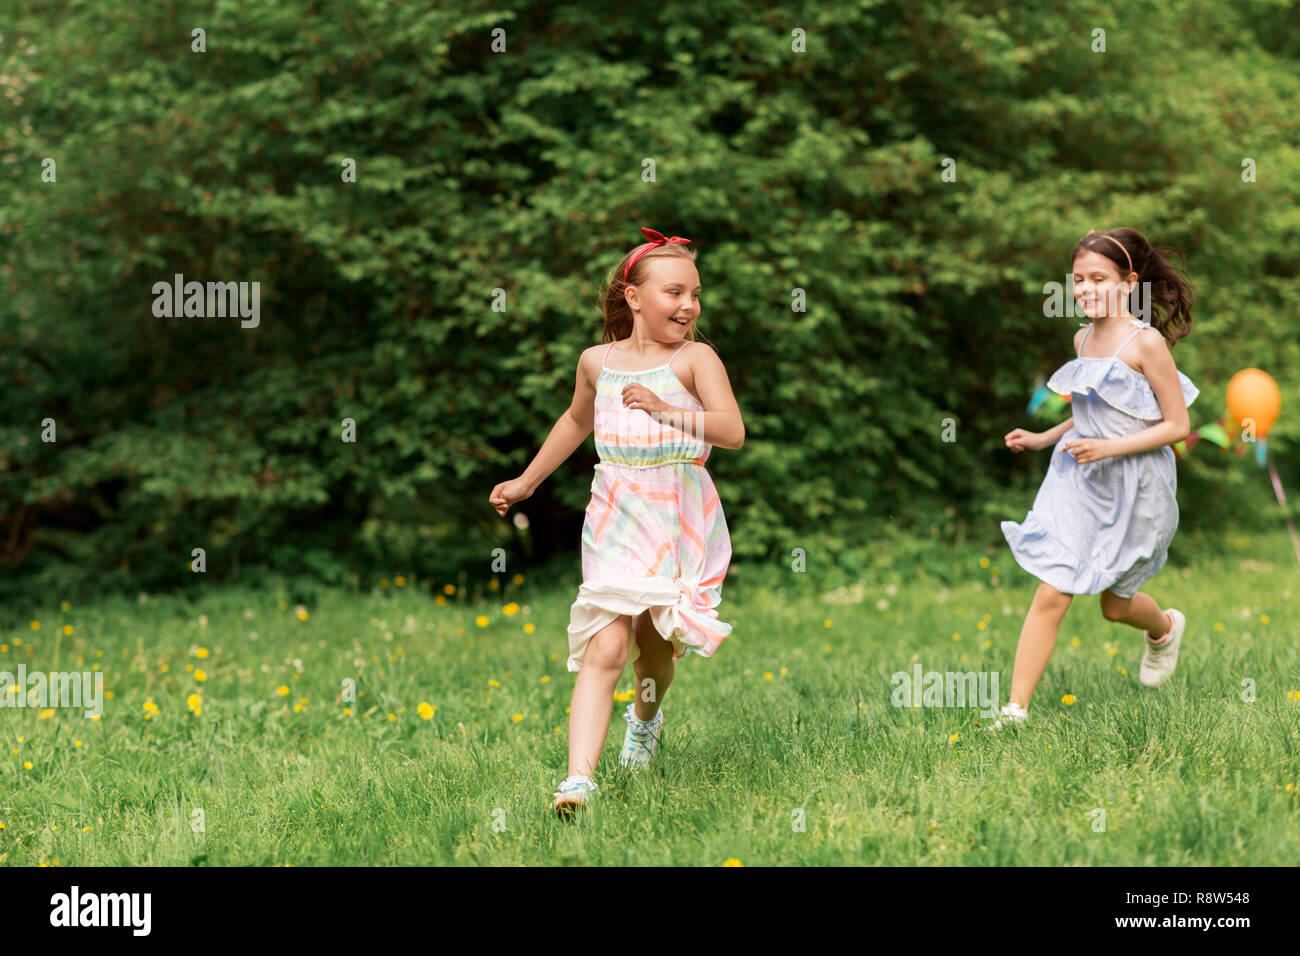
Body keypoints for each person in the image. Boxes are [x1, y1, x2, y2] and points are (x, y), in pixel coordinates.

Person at [489, 227, 744, 812]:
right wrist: (527, 482)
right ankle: (578, 778)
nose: (688, 306)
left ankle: (644, 721)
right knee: (606, 645)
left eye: (696, 294)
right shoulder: (596, 362)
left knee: (654, 648)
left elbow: (732, 431)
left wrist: (667, 411)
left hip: (677, 513)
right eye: (674, 292)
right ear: (633, 297)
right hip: (615, 511)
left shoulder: (696, 360)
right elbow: (576, 422)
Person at [998, 228, 1199, 728]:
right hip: (1080, 477)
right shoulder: (1081, 338)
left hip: (1137, 485)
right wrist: (1046, 437)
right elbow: (1095, 409)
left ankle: (1165, 629)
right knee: (1053, 589)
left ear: (1129, 282)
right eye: (1078, 280)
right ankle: (1014, 710)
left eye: (1098, 279)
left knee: (1115, 606)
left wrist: (1109, 447)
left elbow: (1177, 425)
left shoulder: (1145, 343)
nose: (1086, 289)